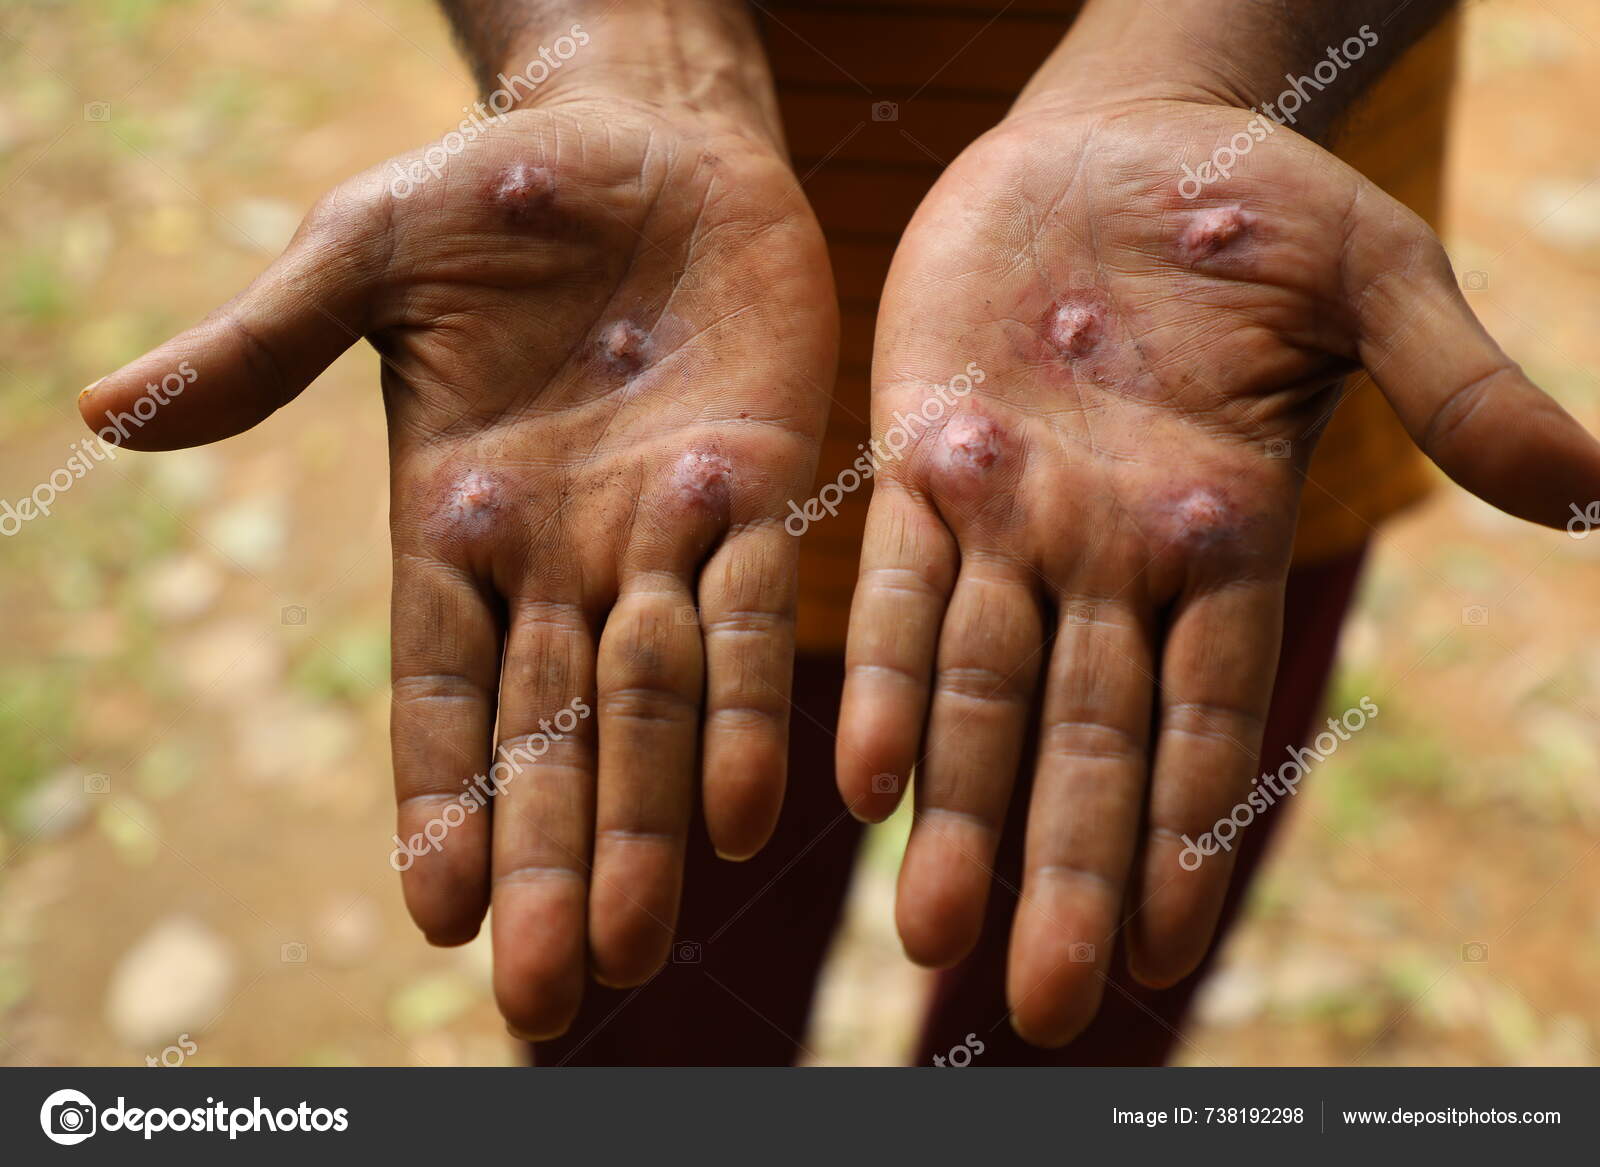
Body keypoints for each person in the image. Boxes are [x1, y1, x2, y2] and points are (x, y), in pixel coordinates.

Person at [77, 0, 1600, 1065]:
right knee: (644, 992)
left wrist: (1214, 65)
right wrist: (621, 51)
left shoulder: (1219, 312)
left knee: (1084, 950)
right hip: (646, 389)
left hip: (1203, 342)